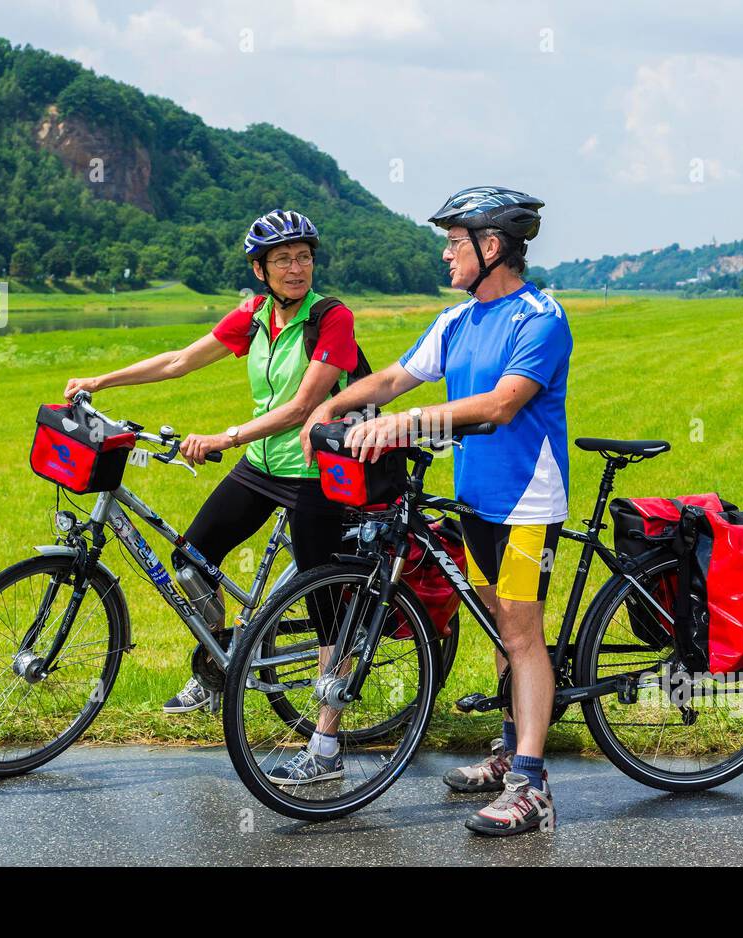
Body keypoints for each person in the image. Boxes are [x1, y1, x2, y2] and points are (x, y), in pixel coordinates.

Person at [299, 186, 572, 836]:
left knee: (524, 633)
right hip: (477, 501)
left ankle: (533, 786)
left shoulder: (540, 317)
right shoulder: (457, 321)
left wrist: (404, 425)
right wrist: (332, 406)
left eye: (455, 242)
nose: (446, 254)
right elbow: (395, 377)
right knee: (500, 629)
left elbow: (502, 404)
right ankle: (511, 751)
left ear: (492, 246)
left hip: (529, 503)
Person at [65, 209, 358, 784]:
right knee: (191, 560)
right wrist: (101, 382)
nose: (296, 268)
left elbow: (302, 407)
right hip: (262, 465)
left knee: (326, 609)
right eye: (282, 260)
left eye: (303, 258)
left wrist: (226, 437)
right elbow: (180, 361)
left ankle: (326, 745)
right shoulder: (255, 317)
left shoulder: (333, 319)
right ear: (260, 270)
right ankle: (220, 662)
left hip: (320, 472)